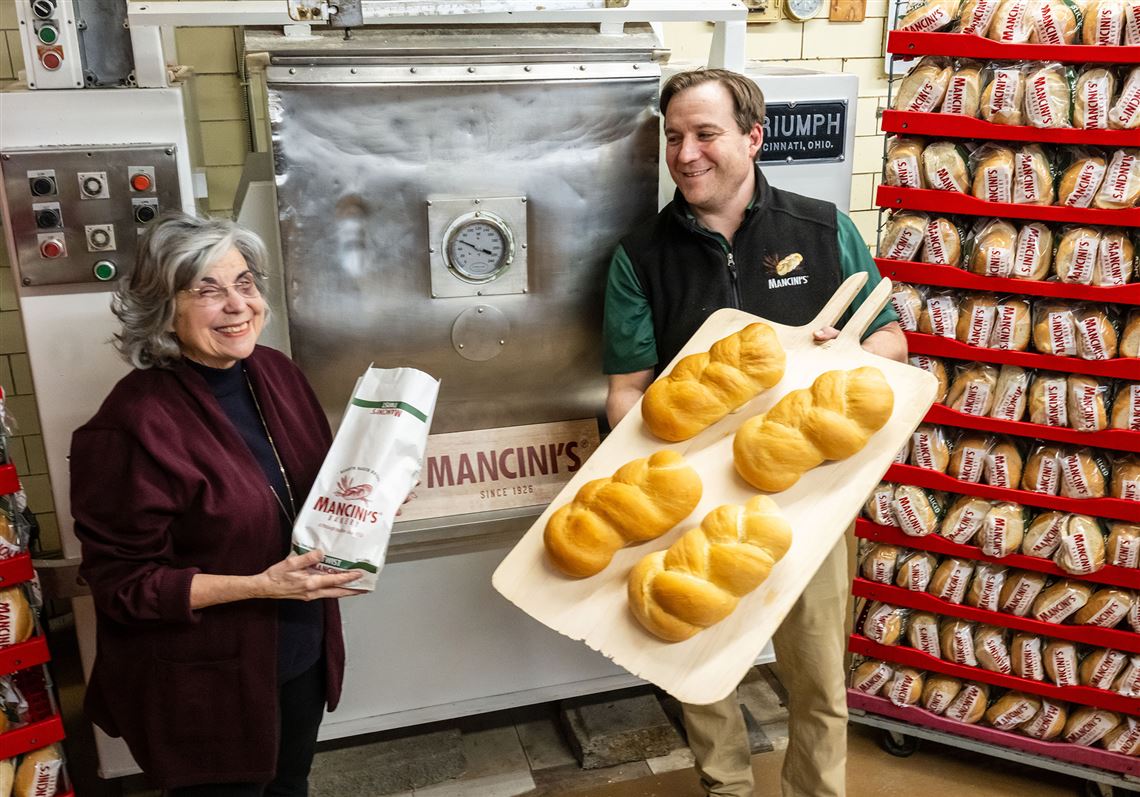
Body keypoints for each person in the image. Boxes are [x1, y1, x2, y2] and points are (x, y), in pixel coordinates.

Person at [603, 69, 907, 797]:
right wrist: (661, 476)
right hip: (698, 495)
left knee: (817, 674)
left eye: (705, 134)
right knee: (698, 666)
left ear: (752, 136)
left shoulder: (822, 227)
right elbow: (625, 391)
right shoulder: (639, 254)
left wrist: (845, 352)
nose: (686, 153)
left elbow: (894, 342)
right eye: (674, 137)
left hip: (815, 496)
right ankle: (727, 788)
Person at [70, 212, 364, 795]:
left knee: (290, 785)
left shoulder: (275, 372)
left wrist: (369, 500)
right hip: (203, 686)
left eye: (244, 283)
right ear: (163, 308)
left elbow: (312, 488)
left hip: (297, 650)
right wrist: (259, 585)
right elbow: (123, 586)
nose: (237, 305)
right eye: (207, 289)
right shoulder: (132, 426)